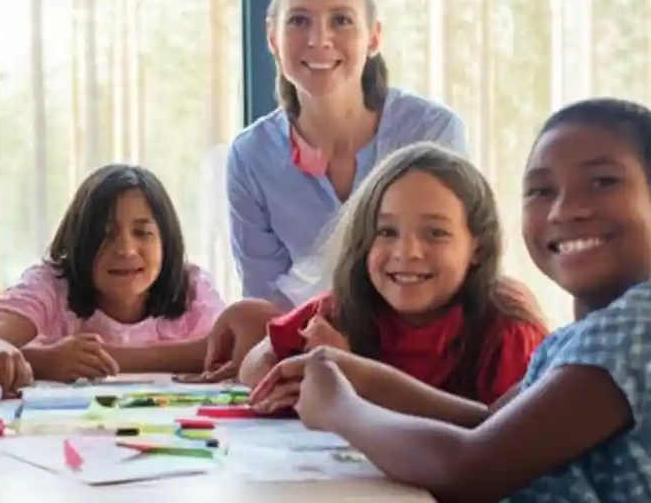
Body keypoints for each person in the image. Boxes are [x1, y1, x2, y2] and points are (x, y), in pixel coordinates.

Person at [259, 99, 651, 501]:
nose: (564, 210)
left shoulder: (636, 329)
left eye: (603, 182)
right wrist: (359, 375)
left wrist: (340, 409)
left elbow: (470, 466)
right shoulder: (582, 337)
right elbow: (487, 422)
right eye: (541, 190)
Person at [227, 0, 468, 311]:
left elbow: (451, 267)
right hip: (310, 342)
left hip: (424, 337)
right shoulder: (250, 157)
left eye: (341, 20)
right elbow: (266, 304)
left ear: (373, 37)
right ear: (272, 37)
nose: (319, 39)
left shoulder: (433, 132)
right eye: (298, 21)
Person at [232, 143, 545, 407]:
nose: (406, 252)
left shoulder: (507, 333)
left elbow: (500, 441)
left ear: (477, 247)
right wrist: (302, 376)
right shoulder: (342, 311)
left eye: (435, 233)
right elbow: (255, 364)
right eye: (386, 231)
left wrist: (352, 380)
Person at [0, 164, 226, 395]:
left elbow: (229, 351)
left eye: (142, 233)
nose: (126, 250)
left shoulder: (192, 288)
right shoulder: (51, 285)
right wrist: (9, 352)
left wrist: (56, 360)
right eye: (106, 234)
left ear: (167, 241)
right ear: (79, 241)